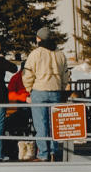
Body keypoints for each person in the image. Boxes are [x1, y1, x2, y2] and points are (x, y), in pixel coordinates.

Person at [22, 27, 71, 161]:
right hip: (55, 91)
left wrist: (29, 89)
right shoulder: (60, 54)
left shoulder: (36, 54)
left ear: (39, 38)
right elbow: (65, 74)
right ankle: (54, 151)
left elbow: (27, 73)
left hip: (39, 91)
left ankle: (43, 153)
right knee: (54, 124)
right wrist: (61, 87)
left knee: (41, 124)